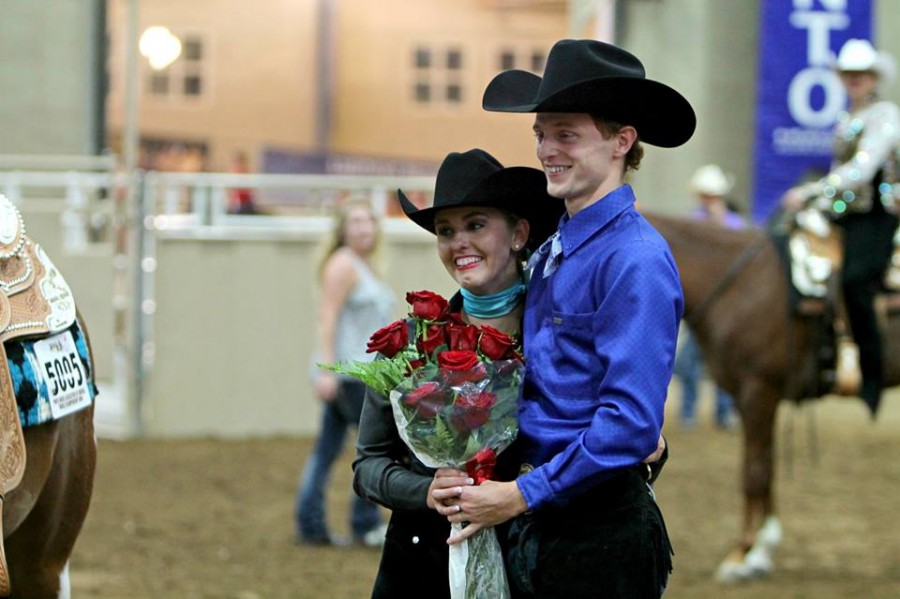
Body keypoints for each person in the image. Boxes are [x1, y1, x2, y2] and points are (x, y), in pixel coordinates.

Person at [430, 39, 695, 598]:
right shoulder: (557, 246)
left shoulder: (635, 260)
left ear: (623, 141)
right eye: (542, 135)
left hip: (593, 530)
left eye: (566, 134)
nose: (547, 149)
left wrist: (522, 495)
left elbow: (628, 421)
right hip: (548, 516)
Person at [781, 38, 899, 417]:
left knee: (854, 281)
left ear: (873, 77)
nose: (854, 80)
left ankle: (872, 373)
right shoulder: (850, 118)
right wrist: (818, 199)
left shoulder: (885, 116)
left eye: (860, 74)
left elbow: (862, 170)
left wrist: (813, 190)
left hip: (879, 215)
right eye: (849, 74)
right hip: (846, 212)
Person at [295, 197, 394, 547]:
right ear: (343, 229)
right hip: (350, 376)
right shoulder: (343, 265)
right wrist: (326, 371)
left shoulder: (363, 265)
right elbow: (327, 317)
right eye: (356, 221)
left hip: (358, 374)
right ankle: (364, 523)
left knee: (328, 448)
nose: (364, 228)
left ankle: (311, 524)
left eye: (368, 221)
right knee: (376, 447)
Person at [674, 164, 744, 429]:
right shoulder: (694, 221)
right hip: (701, 306)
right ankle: (690, 412)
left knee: (724, 363)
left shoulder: (734, 225)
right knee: (690, 362)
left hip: (724, 307)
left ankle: (723, 412)